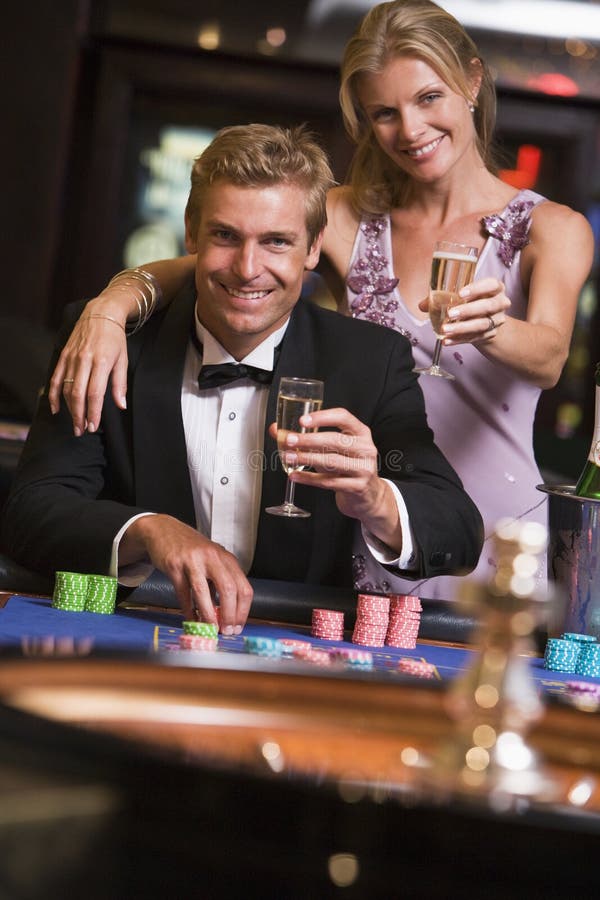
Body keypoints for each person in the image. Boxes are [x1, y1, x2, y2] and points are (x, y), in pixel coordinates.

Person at [45, 0, 593, 600]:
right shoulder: (343, 216)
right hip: (368, 506)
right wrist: (109, 307)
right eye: (385, 112)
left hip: (493, 521)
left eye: (428, 98)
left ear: (472, 80)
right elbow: (216, 261)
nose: (409, 130)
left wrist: (489, 328)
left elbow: (549, 355)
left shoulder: (551, 228)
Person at [1, 123, 483, 632]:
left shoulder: (368, 360)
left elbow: (459, 532)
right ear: (191, 232)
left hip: (291, 657)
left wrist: (376, 497)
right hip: (133, 635)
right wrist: (150, 531)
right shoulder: (114, 344)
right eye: (226, 236)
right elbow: (32, 512)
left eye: (276, 242)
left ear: (314, 248)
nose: (247, 268)